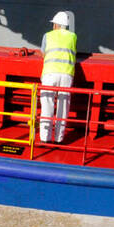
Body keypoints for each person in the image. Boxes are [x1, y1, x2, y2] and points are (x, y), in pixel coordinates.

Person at [38, 10, 76, 143]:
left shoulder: (47, 36)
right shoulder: (73, 37)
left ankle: (45, 138)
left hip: (50, 73)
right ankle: (59, 138)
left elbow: (43, 53)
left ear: (56, 25)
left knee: (47, 105)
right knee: (63, 107)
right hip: (66, 74)